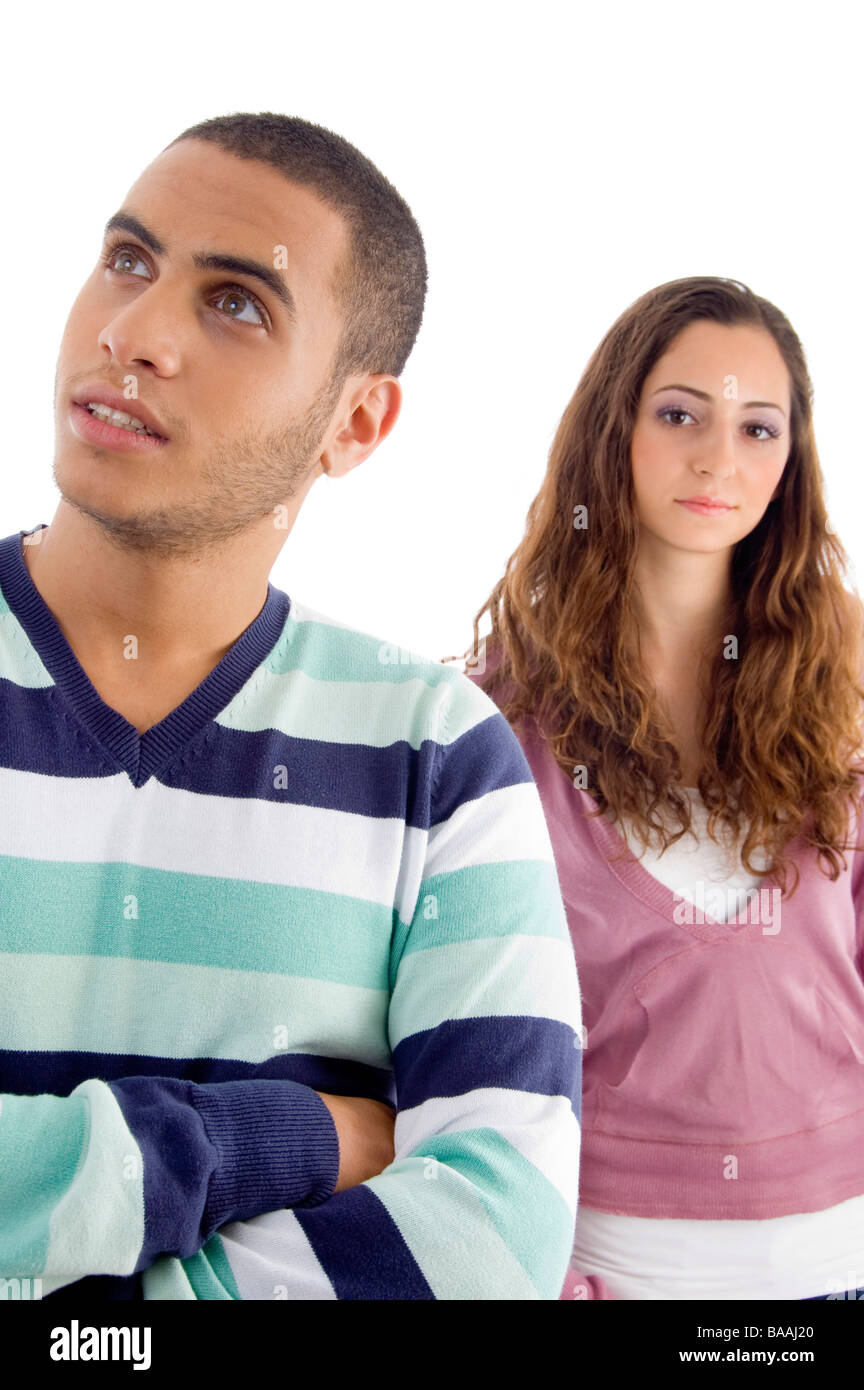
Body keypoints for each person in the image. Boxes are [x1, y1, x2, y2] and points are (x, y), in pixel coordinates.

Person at [0, 111, 582, 1300]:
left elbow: (494, 1237)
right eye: (128, 259)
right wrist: (279, 1140)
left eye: (237, 304)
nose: (134, 332)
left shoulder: (440, 757)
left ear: (355, 423)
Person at [459, 276, 864, 1301]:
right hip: (613, 1271)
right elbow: (467, 1040)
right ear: (616, 430)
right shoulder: (496, 722)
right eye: (681, 413)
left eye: (758, 428)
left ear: (791, 462)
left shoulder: (846, 692)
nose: (719, 457)